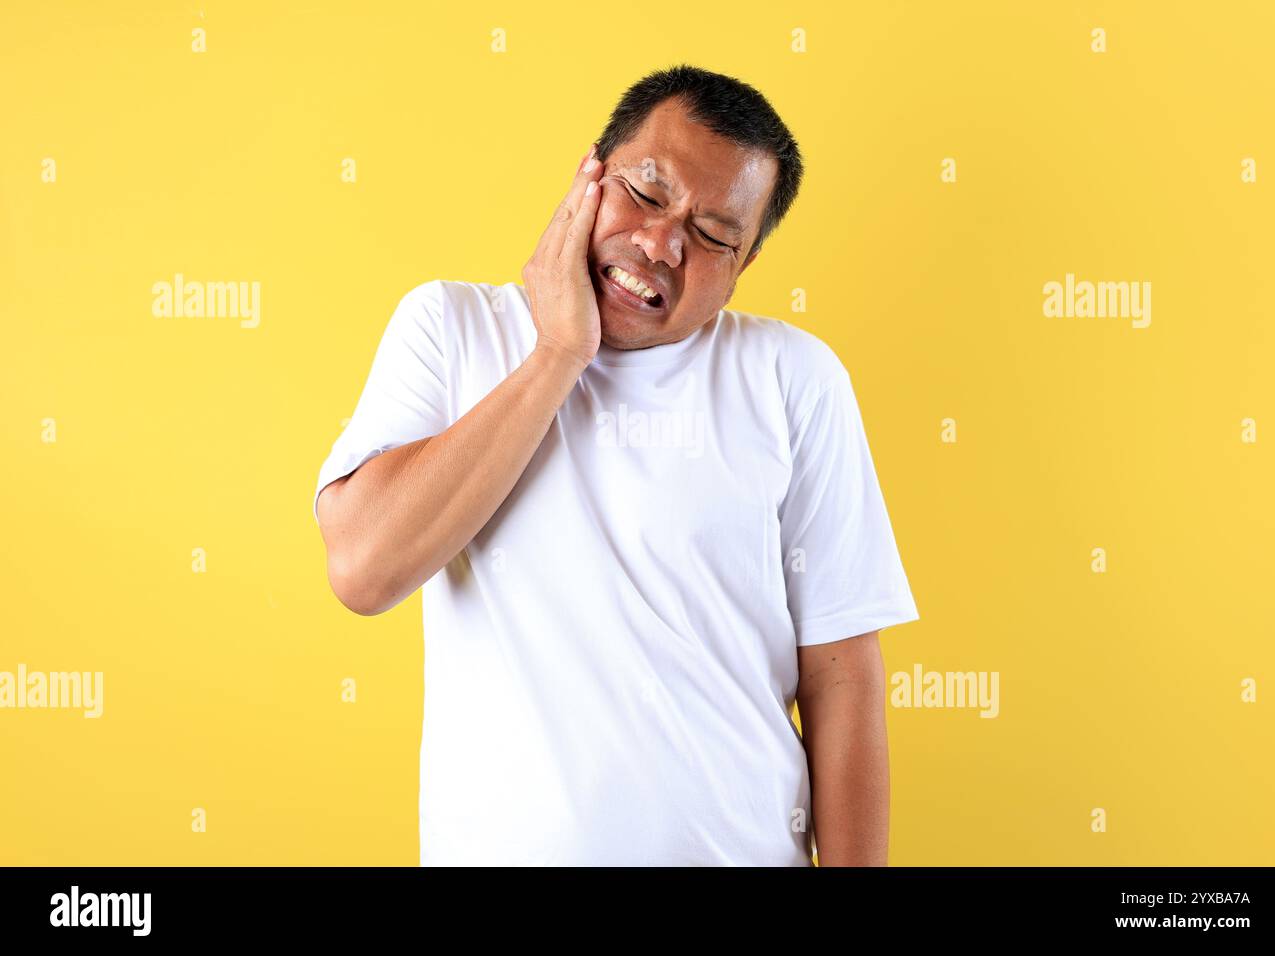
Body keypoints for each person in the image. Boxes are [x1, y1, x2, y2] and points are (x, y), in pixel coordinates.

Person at [313, 64, 919, 866]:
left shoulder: (793, 378)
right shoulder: (451, 329)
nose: (662, 243)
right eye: (646, 192)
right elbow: (363, 568)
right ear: (590, 175)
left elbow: (842, 678)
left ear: (742, 269)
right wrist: (560, 351)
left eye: (713, 236)